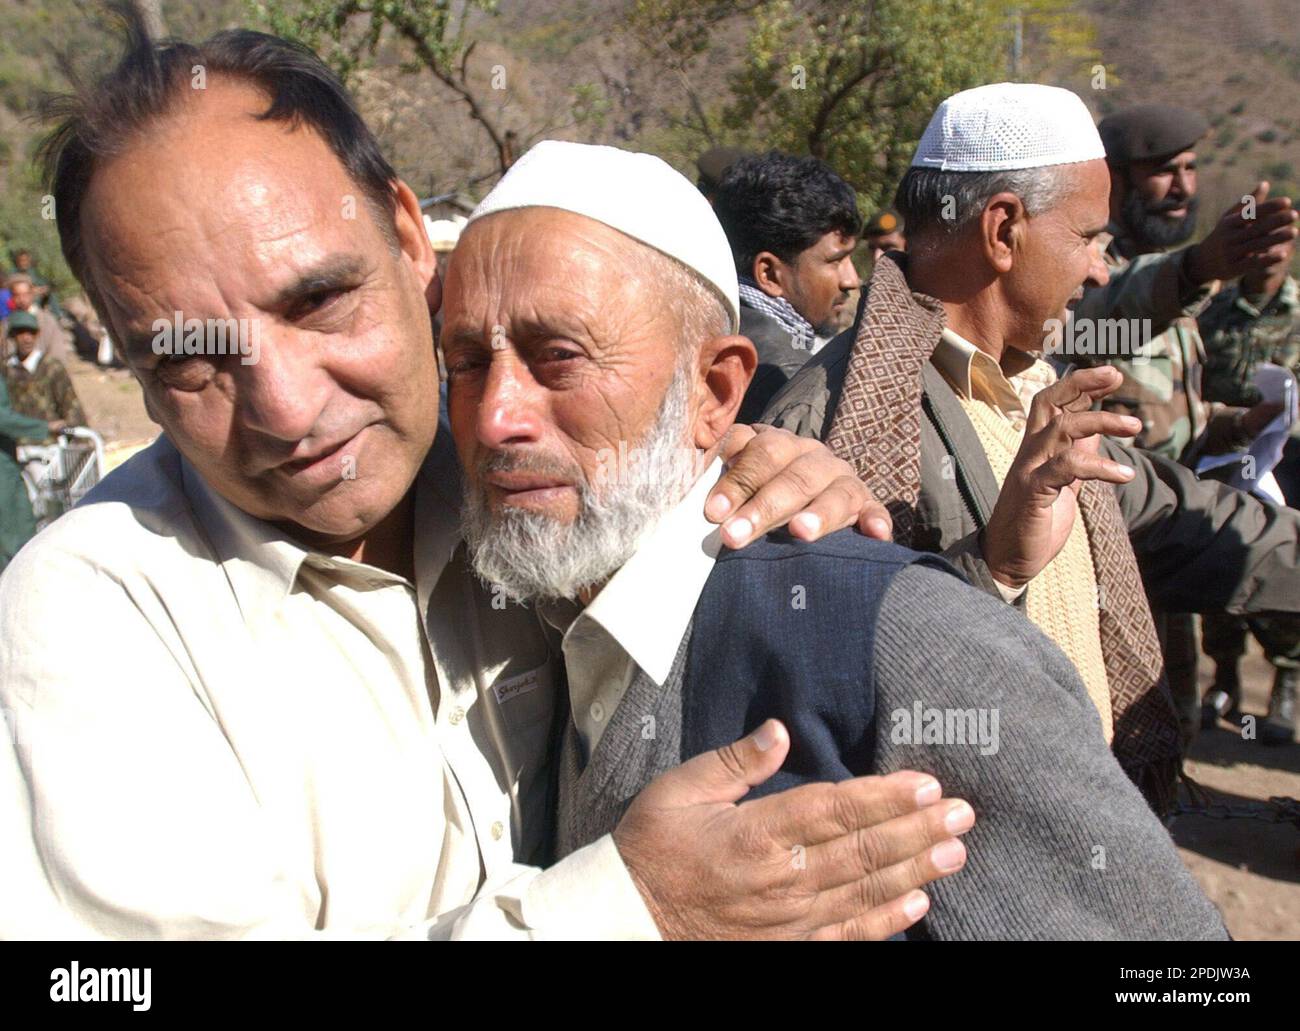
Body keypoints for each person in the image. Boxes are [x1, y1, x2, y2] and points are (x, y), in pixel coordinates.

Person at [0, 18, 963, 941]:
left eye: (321, 300)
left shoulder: (529, 485)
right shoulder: (89, 618)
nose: (286, 408)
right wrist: (633, 914)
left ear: (412, 238)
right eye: (190, 361)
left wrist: (754, 471)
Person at [440, 139, 1226, 940]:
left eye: (559, 357)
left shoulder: (915, 644)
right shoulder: (527, 615)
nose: (495, 416)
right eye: (465, 362)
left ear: (715, 393)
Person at [765, 83, 1300, 811]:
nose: (1102, 269)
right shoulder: (826, 425)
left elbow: (1188, 519)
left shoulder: (1037, 387)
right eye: (1087, 237)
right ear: (1003, 229)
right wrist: (993, 568)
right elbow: (819, 690)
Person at [1075, 104, 1298, 743]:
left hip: (1177, 526)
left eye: (1191, 169)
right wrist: (1198, 268)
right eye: (1161, 171)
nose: (1182, 186)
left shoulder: (1173, 275)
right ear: (1114, 179)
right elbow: (1095, 322)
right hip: (1116, 533)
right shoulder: (1094, 266)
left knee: (1173, 719)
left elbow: (1164, 408)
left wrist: (1238, 425)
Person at [1197, 237, 1300, 743]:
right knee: (1221, 562)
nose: (1273, 252)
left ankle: (1287, 679)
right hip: (1224, 458)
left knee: (1282, 562)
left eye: (1284, 242)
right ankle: (1225, 677)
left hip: (1289, 466)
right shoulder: (1213, 313)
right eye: (1265, 242)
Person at [712, 152, 862, 422]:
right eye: (835, 261)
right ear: (769, 274)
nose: (851, 279)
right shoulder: (787, 380)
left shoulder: (706, 324)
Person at [4, 310, 87, 435]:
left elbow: (71, 408)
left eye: (31, 333)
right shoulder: (5, 369)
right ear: (12, 336)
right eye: (21, 333)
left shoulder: (51, 367)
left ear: (37, 335)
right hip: (13, 445)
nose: (27, 339)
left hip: (48, 443)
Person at [3, 274, 72, 363]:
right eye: (17, 295)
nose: (22, 299)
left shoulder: (47, 320)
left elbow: (57, 354)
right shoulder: (7, 323)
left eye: (25, 294)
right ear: (12, 297)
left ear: (32, 294)